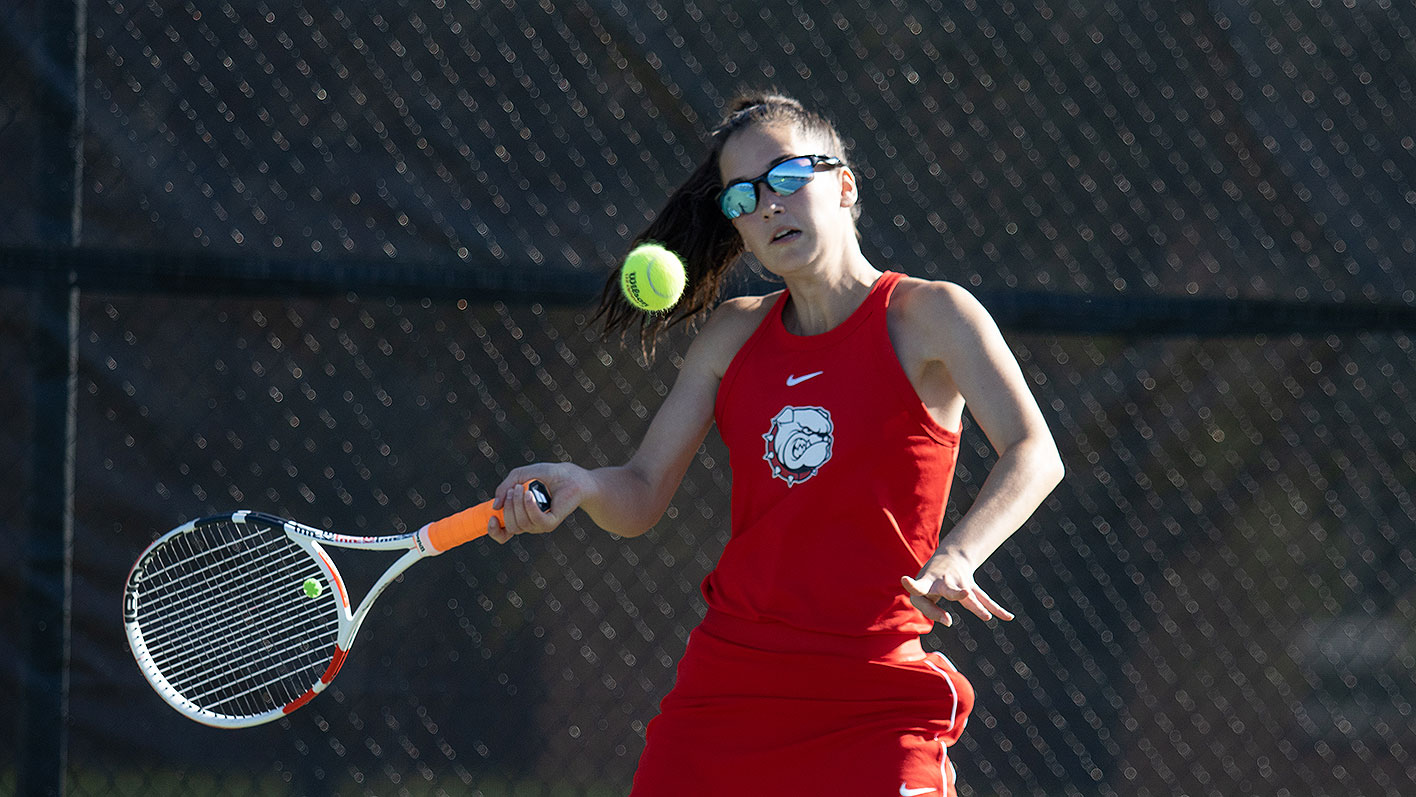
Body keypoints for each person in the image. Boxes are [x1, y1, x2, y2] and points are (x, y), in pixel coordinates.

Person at [489, 92, 1064, 797]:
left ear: (844, 184)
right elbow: (639, 491)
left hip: (874, 695)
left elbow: (1034, 450)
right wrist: (580, 484)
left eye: (787, 178)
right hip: (728, 689)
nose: (767, 205)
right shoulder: (732, 334)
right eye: (742, 197)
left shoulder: (930, 315)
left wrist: (960, 552)